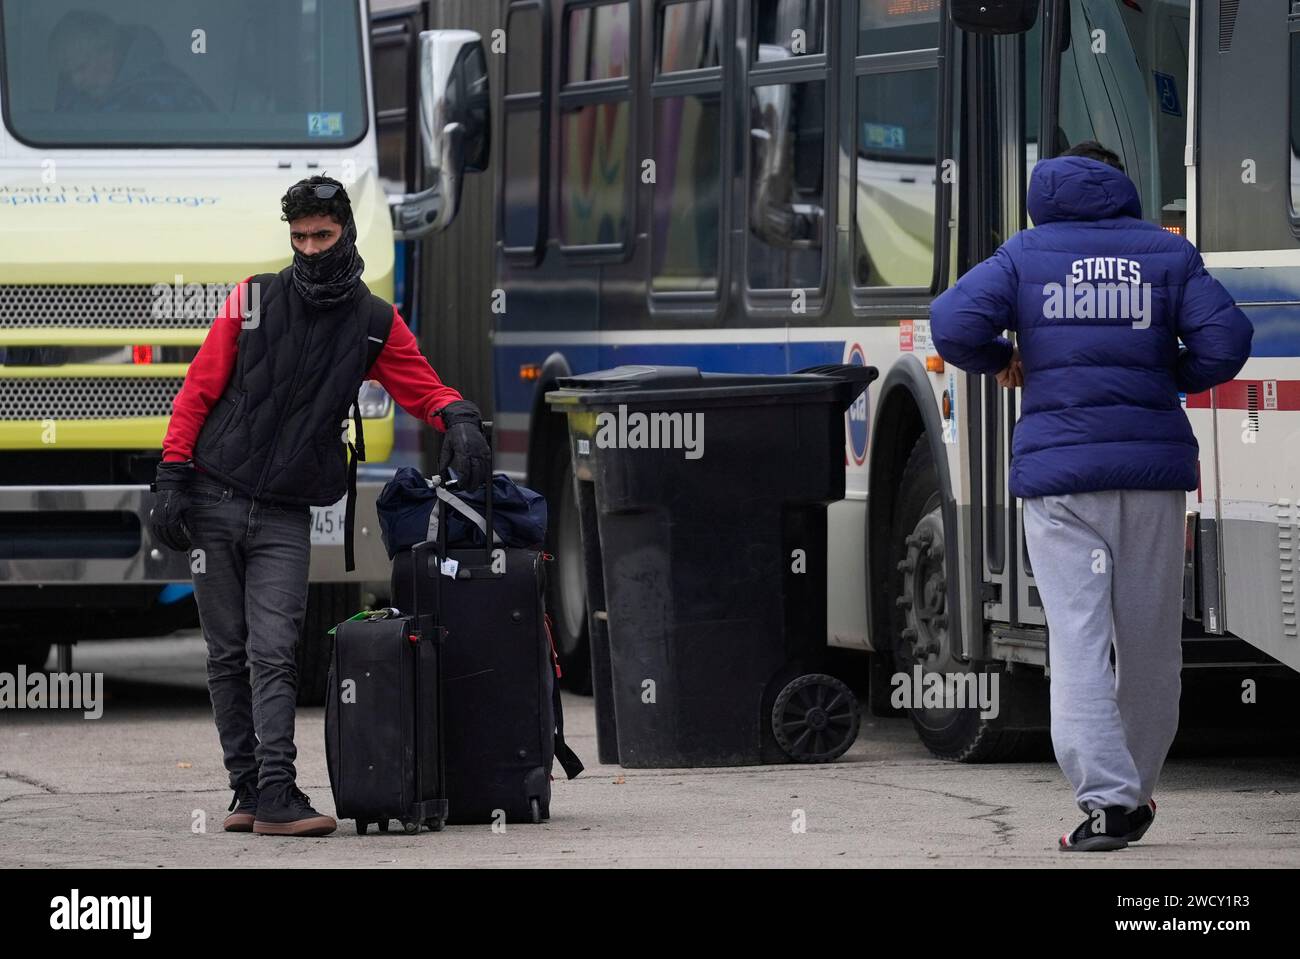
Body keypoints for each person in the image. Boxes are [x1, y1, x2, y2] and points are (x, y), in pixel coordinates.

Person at [930, 141, 1253, 852]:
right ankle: (1132, 792)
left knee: (1078, 640)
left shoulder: (1023, 255)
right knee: (1148, 643)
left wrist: (1004, 359)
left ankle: (1106, 802)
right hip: (1152, 477)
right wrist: (1168, 372)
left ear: (1047, 190)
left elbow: (952, 324)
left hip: (1060, 483)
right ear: (1121, 186)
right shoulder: (1166, 254)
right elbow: (1229, 340)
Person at [148, 176, 491, 837]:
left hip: (284, 512)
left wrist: (461, 419)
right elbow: (197, 390)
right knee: (226, 653)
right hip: (212, 496)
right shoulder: (252, 298)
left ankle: (277, 789)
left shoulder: (372, 322)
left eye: (322, 235)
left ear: (345, 233)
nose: (309, 249)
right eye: (299, 237)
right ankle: (246, 789)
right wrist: (171, 471)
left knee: (274, 650)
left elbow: (423, 387)